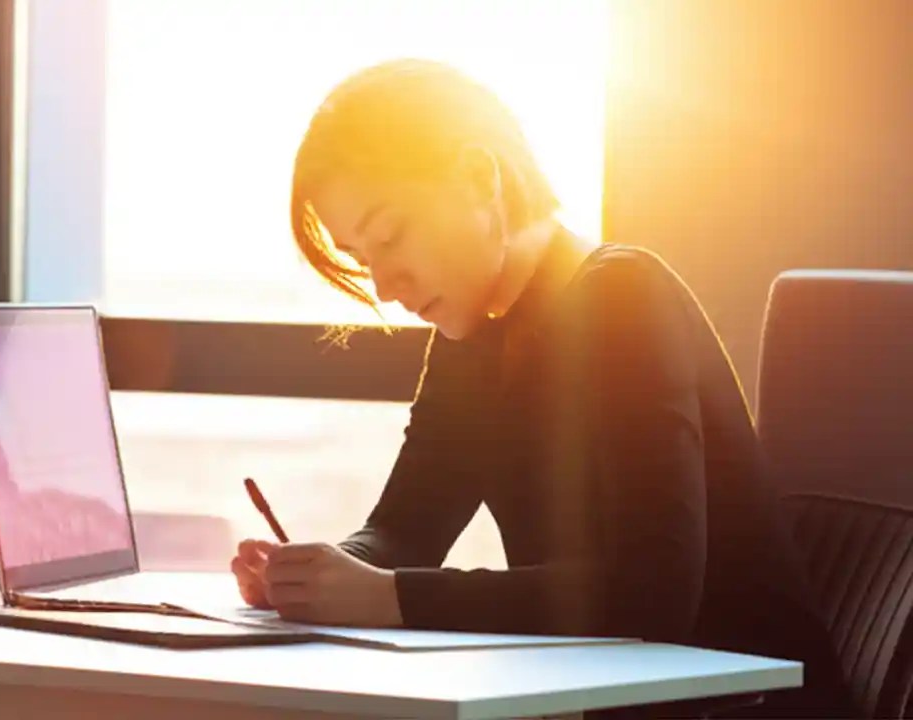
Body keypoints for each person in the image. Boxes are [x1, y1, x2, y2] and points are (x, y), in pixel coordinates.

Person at [228, 59, 854, 718]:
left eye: (391, 236)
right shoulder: (472, 335)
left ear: (479, 178)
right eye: (364, 259)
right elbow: (403, 529)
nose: (384, 285)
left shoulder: (622, 296)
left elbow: (652, 595)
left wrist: (385, 595)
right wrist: (316, 575)